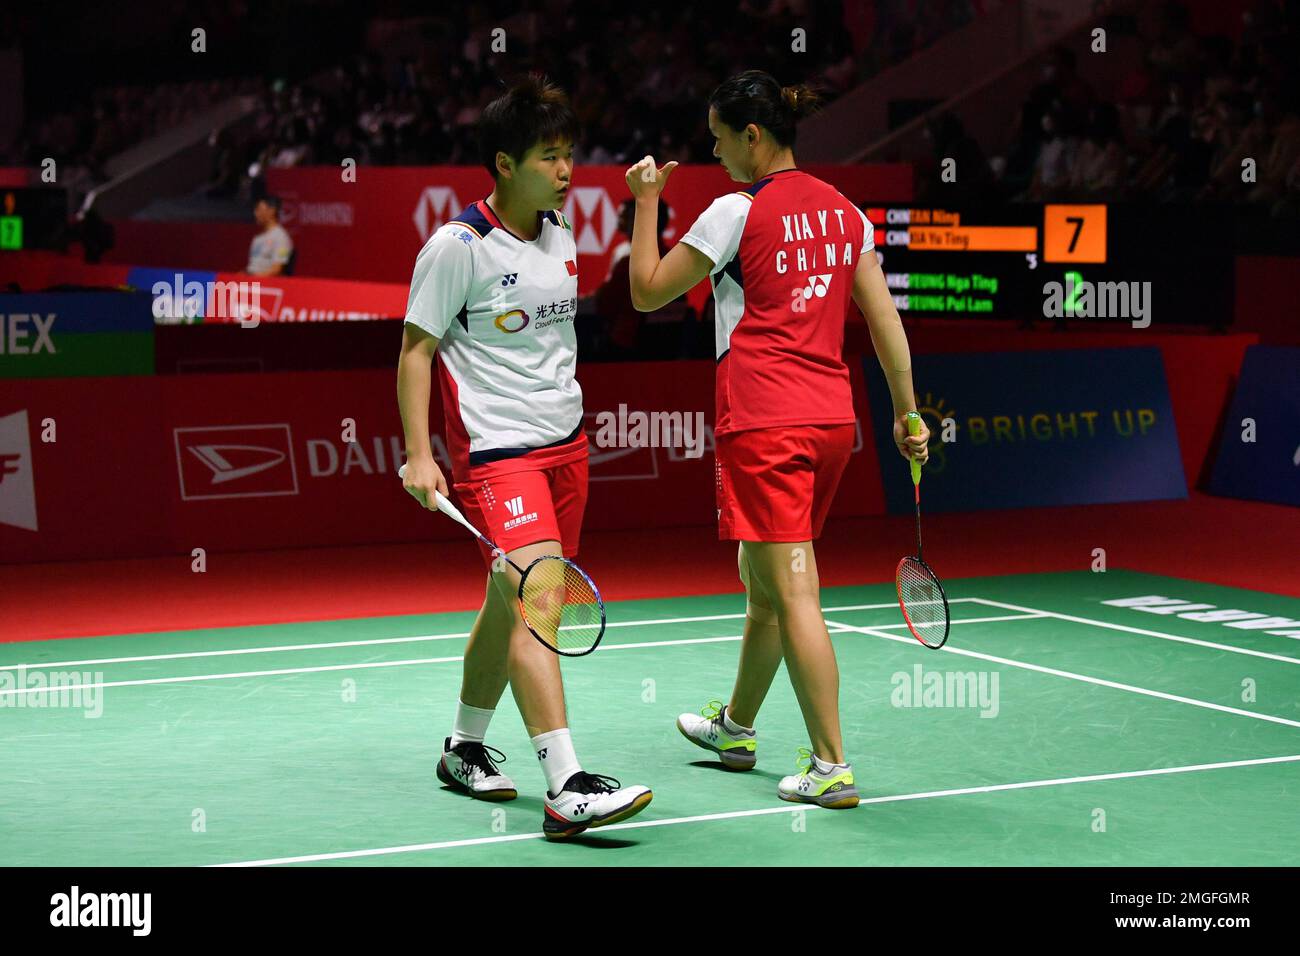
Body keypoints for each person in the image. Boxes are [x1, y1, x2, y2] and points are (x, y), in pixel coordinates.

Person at [624, 70, 929, 809]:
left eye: (721, 138)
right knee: (761, 582)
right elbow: (885, 321)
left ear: (753, 135)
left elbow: (645, 289)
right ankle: (736, 728)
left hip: (765, 420)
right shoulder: (845, 211)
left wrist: (647, 204)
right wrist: (907, 413)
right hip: (830, 422)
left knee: (793, 590)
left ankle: (832, 765)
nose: (717, 152)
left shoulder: (734, 212)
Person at [397, 74, 652, 840]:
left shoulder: (562, 233)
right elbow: (416, 352)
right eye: (550, 155)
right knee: (542, 597)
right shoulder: (458, 248)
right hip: (498, 453)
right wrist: (419, 454)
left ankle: (464, 747)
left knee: (509, 601)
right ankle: (566, 785)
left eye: (570, 153)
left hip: (566, 447)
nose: (567, 170)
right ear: (505, 163)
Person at [245, 196, 293, 276]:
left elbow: (277, 269)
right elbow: (252, 267)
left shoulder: (282, 238)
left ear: (272, 211)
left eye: (259, 209)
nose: (255, 213)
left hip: (265, 284)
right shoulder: (258, 238)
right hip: (251, 281)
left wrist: (253, 279)